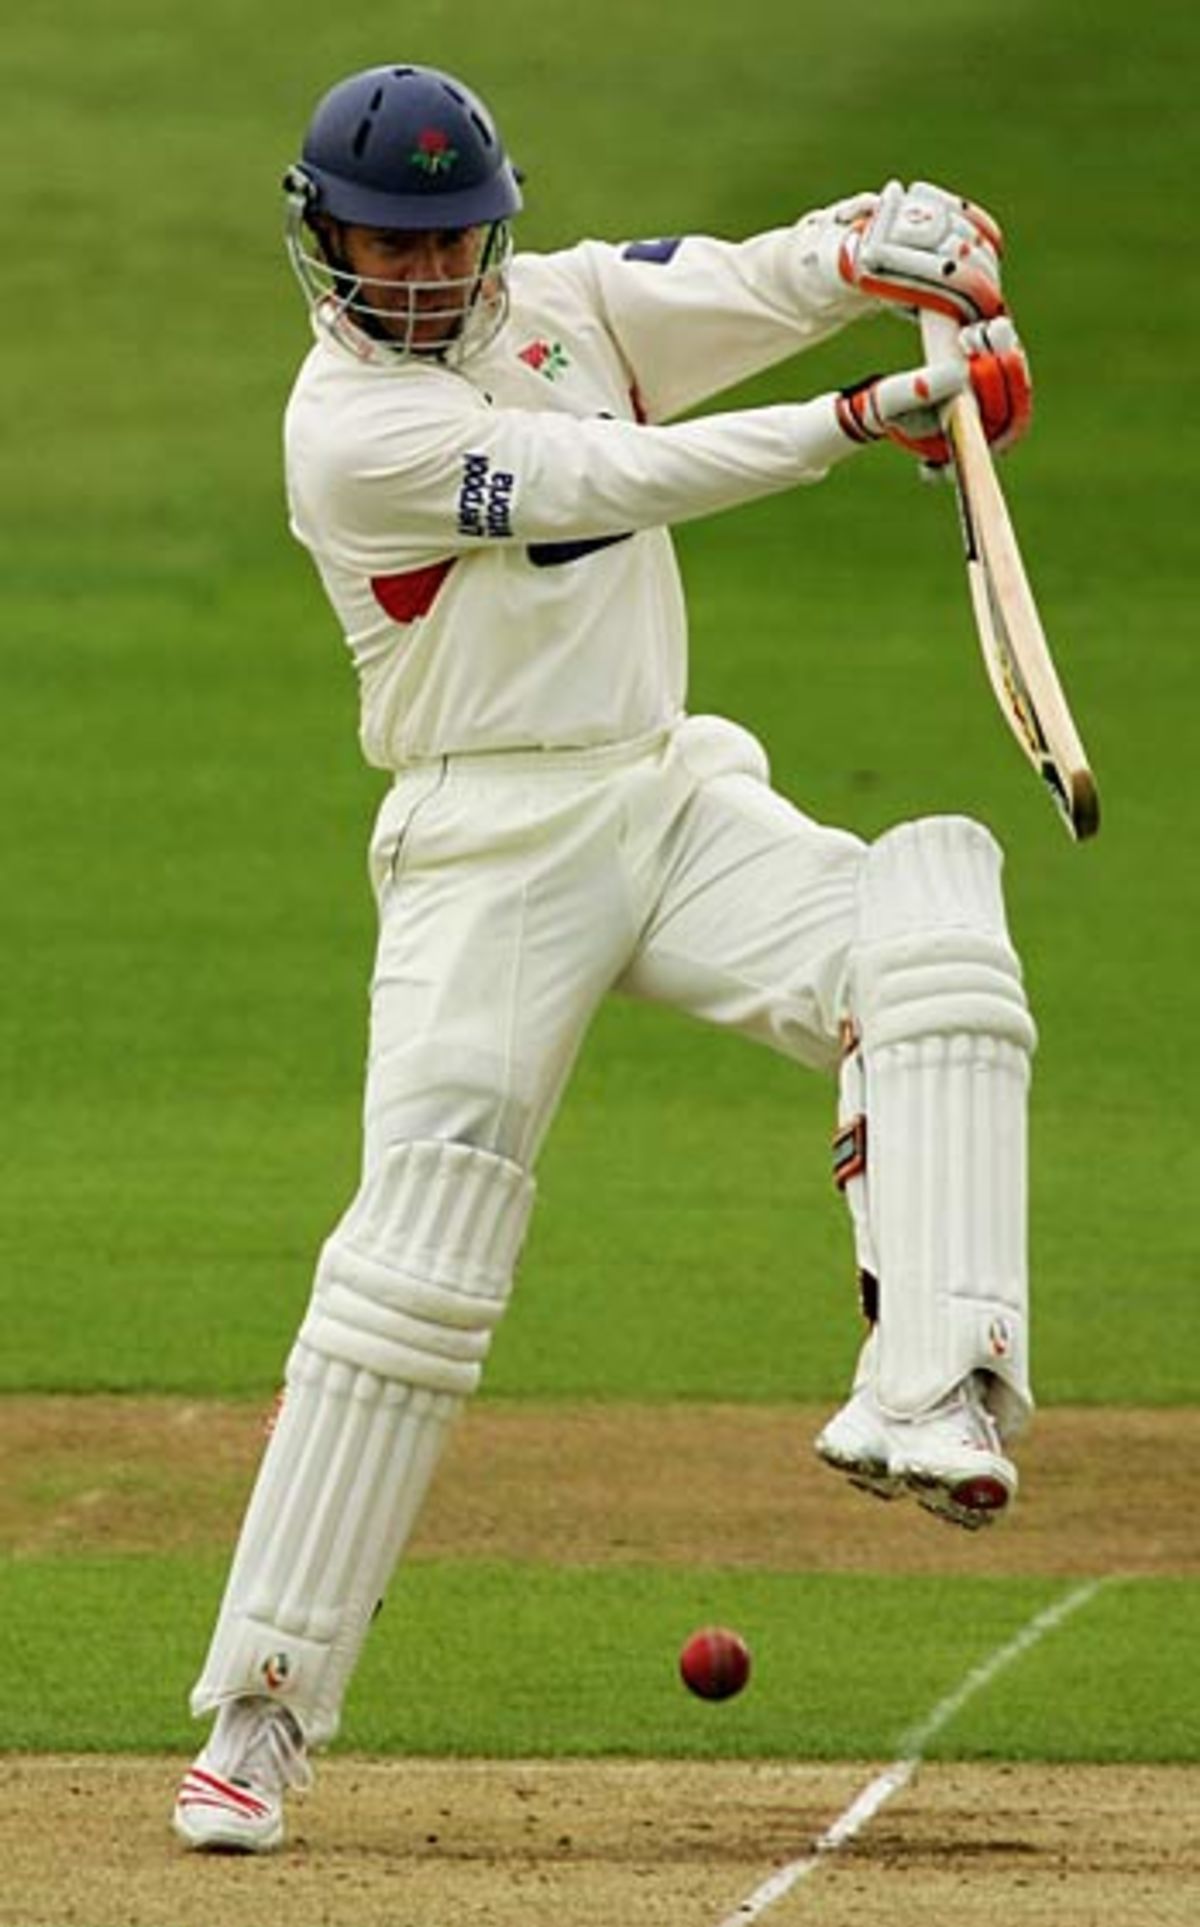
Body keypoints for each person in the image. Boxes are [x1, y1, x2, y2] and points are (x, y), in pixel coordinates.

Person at [173, 63, 1038, 1853]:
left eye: (445, 244)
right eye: (377, 246)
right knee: (422, 1244)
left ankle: (932, 1386)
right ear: (319, 242)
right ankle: (260, 1710)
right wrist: (867, 416)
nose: (415, 280)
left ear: (492, 228)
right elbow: (611, 479)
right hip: (484, 848)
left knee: (935, 905)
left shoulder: (565, 303)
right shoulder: (349, 430)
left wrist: (889, 240)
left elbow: (743, 281)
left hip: (664, 791)